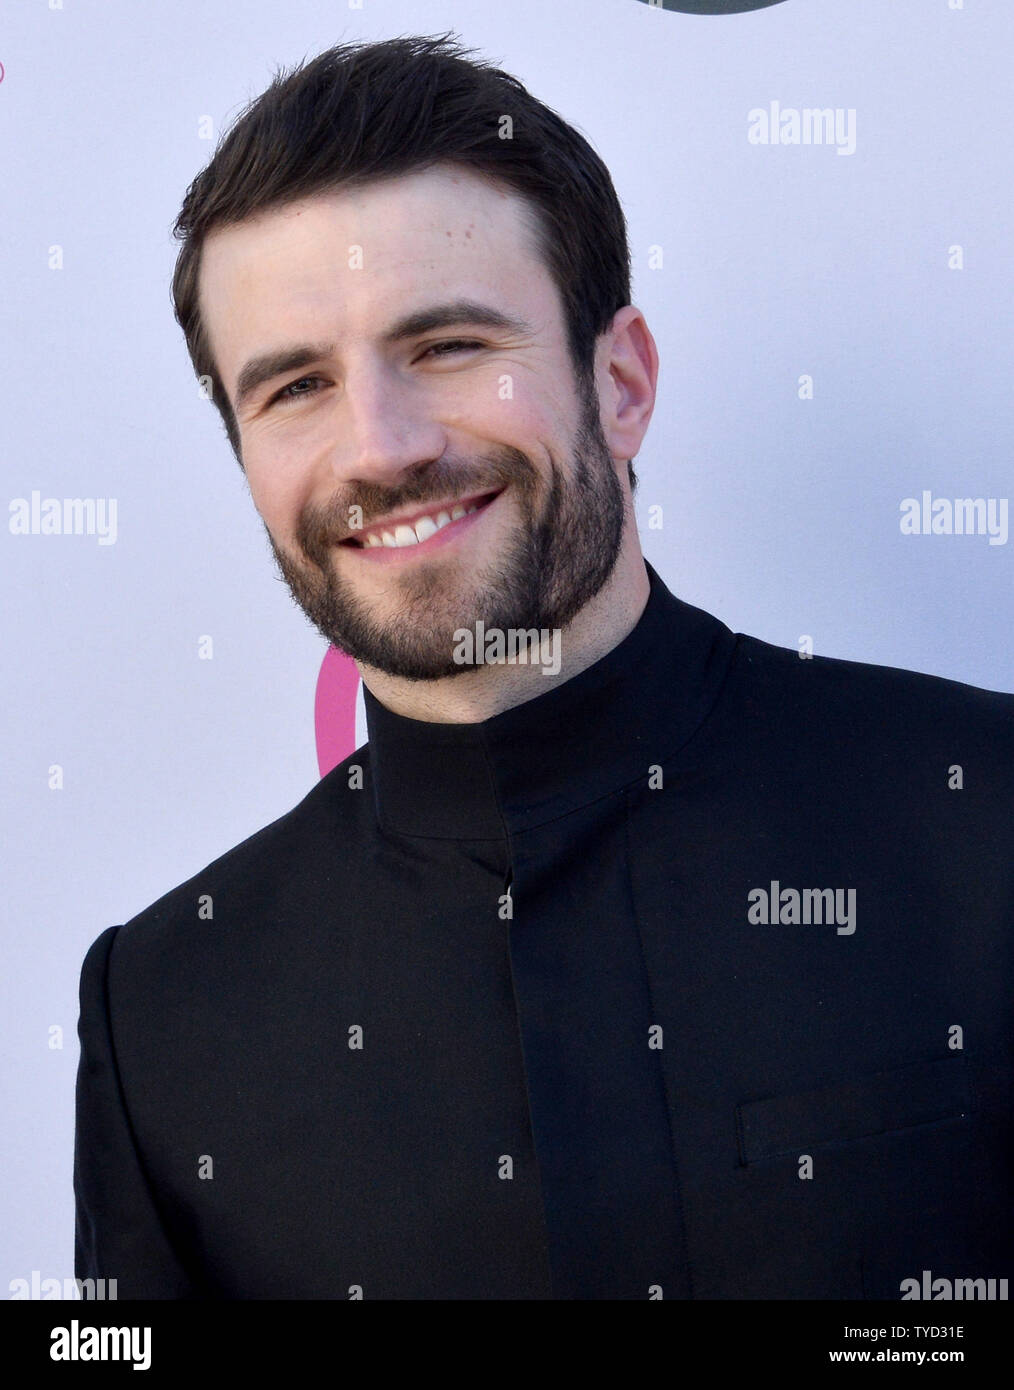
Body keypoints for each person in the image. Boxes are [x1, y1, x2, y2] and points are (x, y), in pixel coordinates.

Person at [74, 33, 1012, 1300]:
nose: (381, 448)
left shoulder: (983, 814)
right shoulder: (163, 1011)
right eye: (295, 386)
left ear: (620, 383)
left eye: (449, 345)